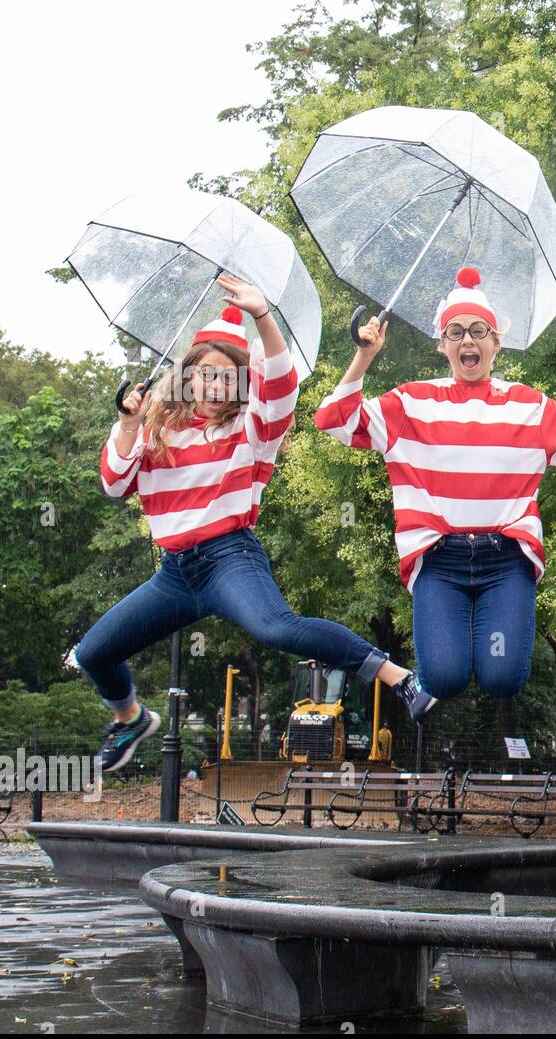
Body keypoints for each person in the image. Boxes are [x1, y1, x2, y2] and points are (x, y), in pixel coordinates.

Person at [74, 274, 430, 774]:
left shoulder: (252, 428)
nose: (217, 386)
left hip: (229, 559)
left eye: (228, 377)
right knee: (93, 653)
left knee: (277, 627)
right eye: (207, 375)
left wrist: (262, 317)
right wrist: (130, 424)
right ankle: (131, 718)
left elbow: (282, 387)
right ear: (188, 377)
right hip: (175, 575)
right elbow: (114, 485)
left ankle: (396, 676)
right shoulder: (157, 429)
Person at [315, 267, 556, 701]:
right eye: (455, 331)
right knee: (446, 678)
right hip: (439, 562)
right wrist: (364, 355)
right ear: (442, 345)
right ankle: (413, 679)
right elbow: (333, 420)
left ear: (495, 343)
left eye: (479, 330)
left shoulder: (526, 407)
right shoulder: (411, 404)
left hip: (505, 561)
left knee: (501, 680)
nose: (467, 340)